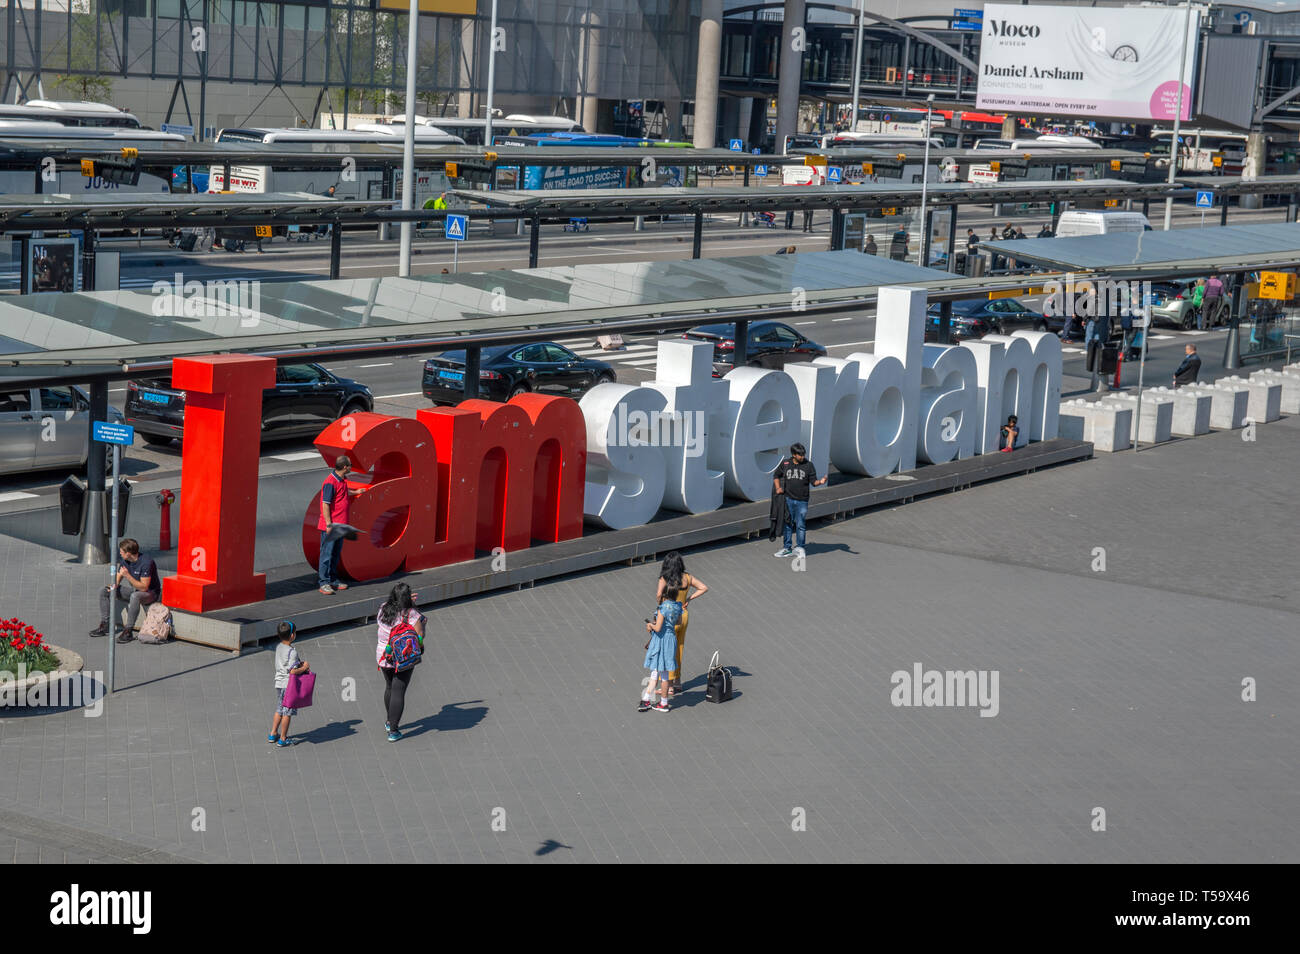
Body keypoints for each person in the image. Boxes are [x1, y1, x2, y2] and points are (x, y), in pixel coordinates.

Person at [376, 582, 426, 742]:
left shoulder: (383, 608)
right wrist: (416, 611)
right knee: (399, 691)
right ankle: (393, 731)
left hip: (384, 656)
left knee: (390, 686)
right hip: (403, 658)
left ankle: (389, 720)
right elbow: (419, 637)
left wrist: (404, 600)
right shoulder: (412, 614)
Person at [655, 552, 709, 696]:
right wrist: (689, 599)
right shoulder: (687, 577)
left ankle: (669, 686)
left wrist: (662, 606)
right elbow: (703, 587)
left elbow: (658, 595)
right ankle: (678, 682)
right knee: (679, 647)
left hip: (669, 617)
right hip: (683, 615)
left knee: (668, 650)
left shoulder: (664, 578)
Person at [90, 538, 161, 643]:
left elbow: (144, 587)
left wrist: (127, 575)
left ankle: (128, 630)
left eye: (121, 552)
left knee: (135, 596)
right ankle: (105, 624)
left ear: (128, 553)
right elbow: (117, 579)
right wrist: (112, 587)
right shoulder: (125, 561)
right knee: (103, 591)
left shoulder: (146, 563)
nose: (120, 554)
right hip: (135, 590)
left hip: (150, 594)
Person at [773, 442, 827, 558]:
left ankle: (800, 548)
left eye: (803, 454)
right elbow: (776, 475)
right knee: (788, 524)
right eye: (800, 455)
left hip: (802, 500)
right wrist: (778, 488)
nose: (802, 457)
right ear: (793, 454)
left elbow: (814, 482)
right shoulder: (786, 463)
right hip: (788, 499)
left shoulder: (809, 465)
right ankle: (787, 548)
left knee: (800, 524)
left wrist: (820, 482)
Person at [316, 455, 356, 595]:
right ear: (345, 467)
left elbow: (343, 493)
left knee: (335, 554)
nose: (351, 467)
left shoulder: (343, 480)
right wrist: (328, 524)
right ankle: (323, 582)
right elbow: (325, 504)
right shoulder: (330, 482)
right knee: (326, 554)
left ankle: (333, 579)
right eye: (350, 465)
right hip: (332, 526)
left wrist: (356, 492)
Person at [639, 594, 682, 713]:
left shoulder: (662, 608)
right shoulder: (677, 606)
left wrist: (650, 625)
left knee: (661, 674)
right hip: (670, 640)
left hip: (660, 641)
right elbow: (679, 622)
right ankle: (646, 699)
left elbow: (657, 628)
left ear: (664, 595)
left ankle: (663, 703)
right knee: (657, 672)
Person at [269, 621, 310, 747]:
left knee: (279, 709)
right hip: (289, 685)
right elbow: (292, 671)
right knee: (287, 712)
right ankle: (283, 738)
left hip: (279, 682)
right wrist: (304, 668)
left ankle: (273, 733)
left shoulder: (278, 647)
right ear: (292, 635)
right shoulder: (292, 652)